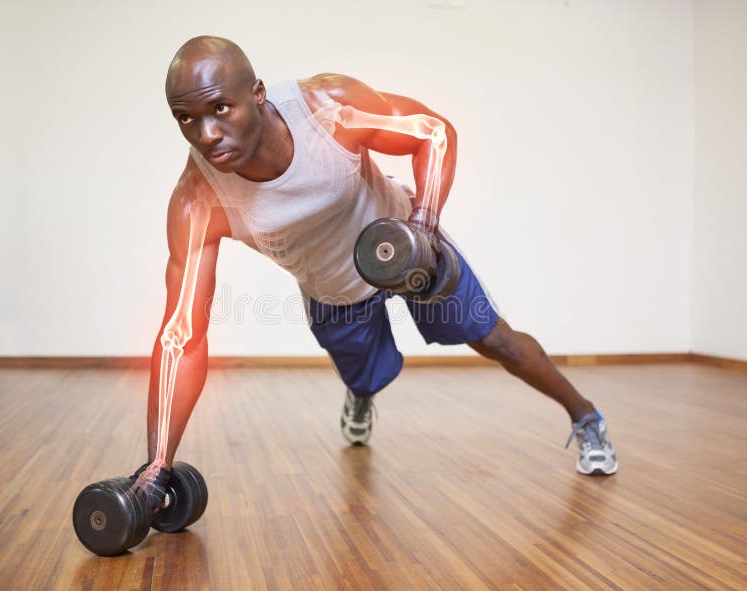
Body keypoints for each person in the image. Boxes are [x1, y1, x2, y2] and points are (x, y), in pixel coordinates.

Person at [146, 35, 618, 481]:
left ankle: (586, 417)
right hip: (332, 290)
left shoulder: (327, 110)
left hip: (411, 252)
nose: (206, 134)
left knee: (498, 341)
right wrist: (157, 468)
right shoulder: (199, 201)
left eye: (221, 108)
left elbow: (433, 133)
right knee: (365, 376)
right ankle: (361, 392)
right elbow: (182, 339)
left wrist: (425, 223)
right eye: (185, 118)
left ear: (259, 94)